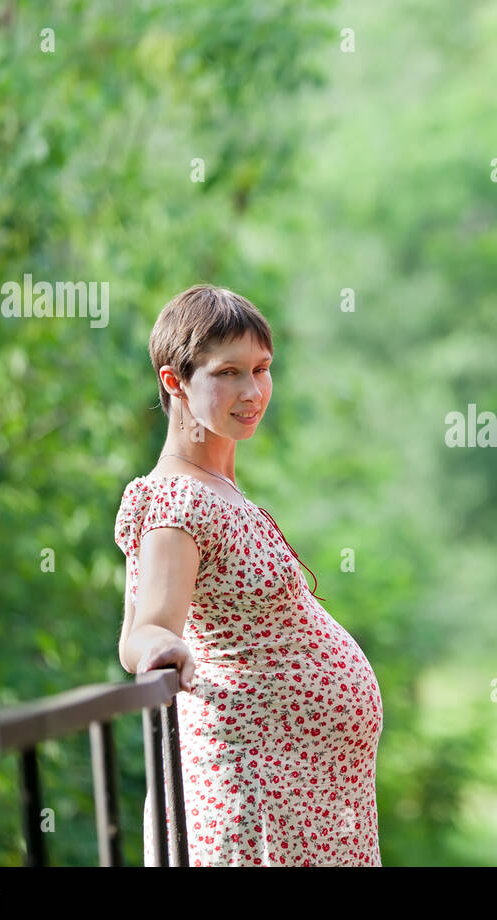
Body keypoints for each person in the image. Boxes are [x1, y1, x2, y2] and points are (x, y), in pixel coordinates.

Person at [113, 285, 382, 866]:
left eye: (262, 369)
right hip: (256, 794)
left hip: (309, 794)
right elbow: (144, 630)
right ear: (174, 382)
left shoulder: (220, 488)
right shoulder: (176, 501)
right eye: (228, 373)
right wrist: (160, 645)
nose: (253, 391)